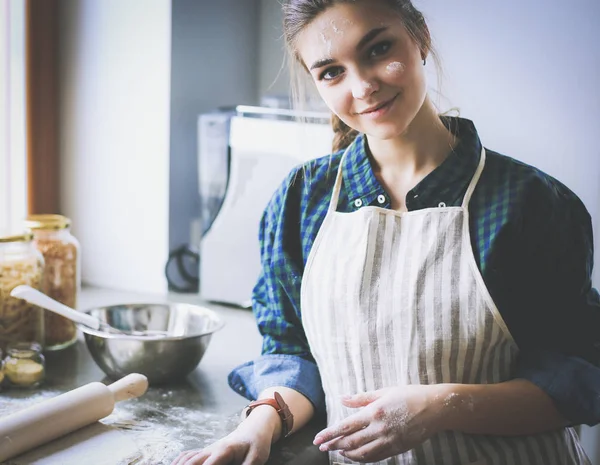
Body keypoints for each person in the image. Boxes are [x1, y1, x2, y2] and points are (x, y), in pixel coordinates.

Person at [173, 1, 600, 464]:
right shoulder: (302, 200)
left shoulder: (526, 204)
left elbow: (574, 376)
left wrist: (439, 408)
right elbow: (293, 351)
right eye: (332, 72)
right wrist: (262, 421)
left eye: (378, 49)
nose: (363, 86)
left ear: (420, 39)